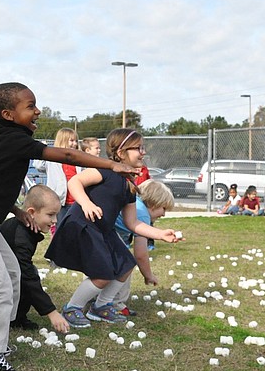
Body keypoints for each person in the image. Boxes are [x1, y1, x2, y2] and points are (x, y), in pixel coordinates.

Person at [0, 83, 137, 371]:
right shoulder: (14, 140)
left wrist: (18, 211)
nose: (38, 110)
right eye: (30, 106)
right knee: (0, 285)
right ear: (8, 114)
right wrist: (111, 165)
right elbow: (67, 157)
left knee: (11, 274)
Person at [46, 128, 179, 328]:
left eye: (143, 148)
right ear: (120, 151)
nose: (143, 152)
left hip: (103, 229)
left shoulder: (129, 185)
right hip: (85, 225)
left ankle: (101, 306)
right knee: (102, 274)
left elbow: (132, 223)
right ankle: (72, 307)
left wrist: (160, 234)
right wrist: (86, 203)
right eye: (138, 148)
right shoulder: (104, 170)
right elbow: (75, 181)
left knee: (126, 264)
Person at [0, 185, 70, 334]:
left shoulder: (27, 230)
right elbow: (25, 276)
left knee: (24, 280)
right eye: (50, 215)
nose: (55, 220)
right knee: (11, 285)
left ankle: (16, 318)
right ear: (31, 212)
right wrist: (51, 312)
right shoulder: (21, 237)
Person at [111, 179, 176, 318]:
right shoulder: (142, 214)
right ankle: (115, 304)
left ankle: (97, 299)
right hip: (105, 240)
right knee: (126, 264)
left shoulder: (136, 205)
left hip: (96, 237)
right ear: (154, 203)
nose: (163, 214)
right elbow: (140, 254)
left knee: (108, 269)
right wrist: (148, 275)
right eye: (163, 208)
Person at [37, 127, 77, 206]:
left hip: (76, 201)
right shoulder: (53, 159)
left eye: (76, 141)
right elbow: (39, 166)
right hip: (58, 201)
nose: (75, 144)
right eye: (72, 141)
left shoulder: (77, 159)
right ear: (62, 141)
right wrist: (42, 148)